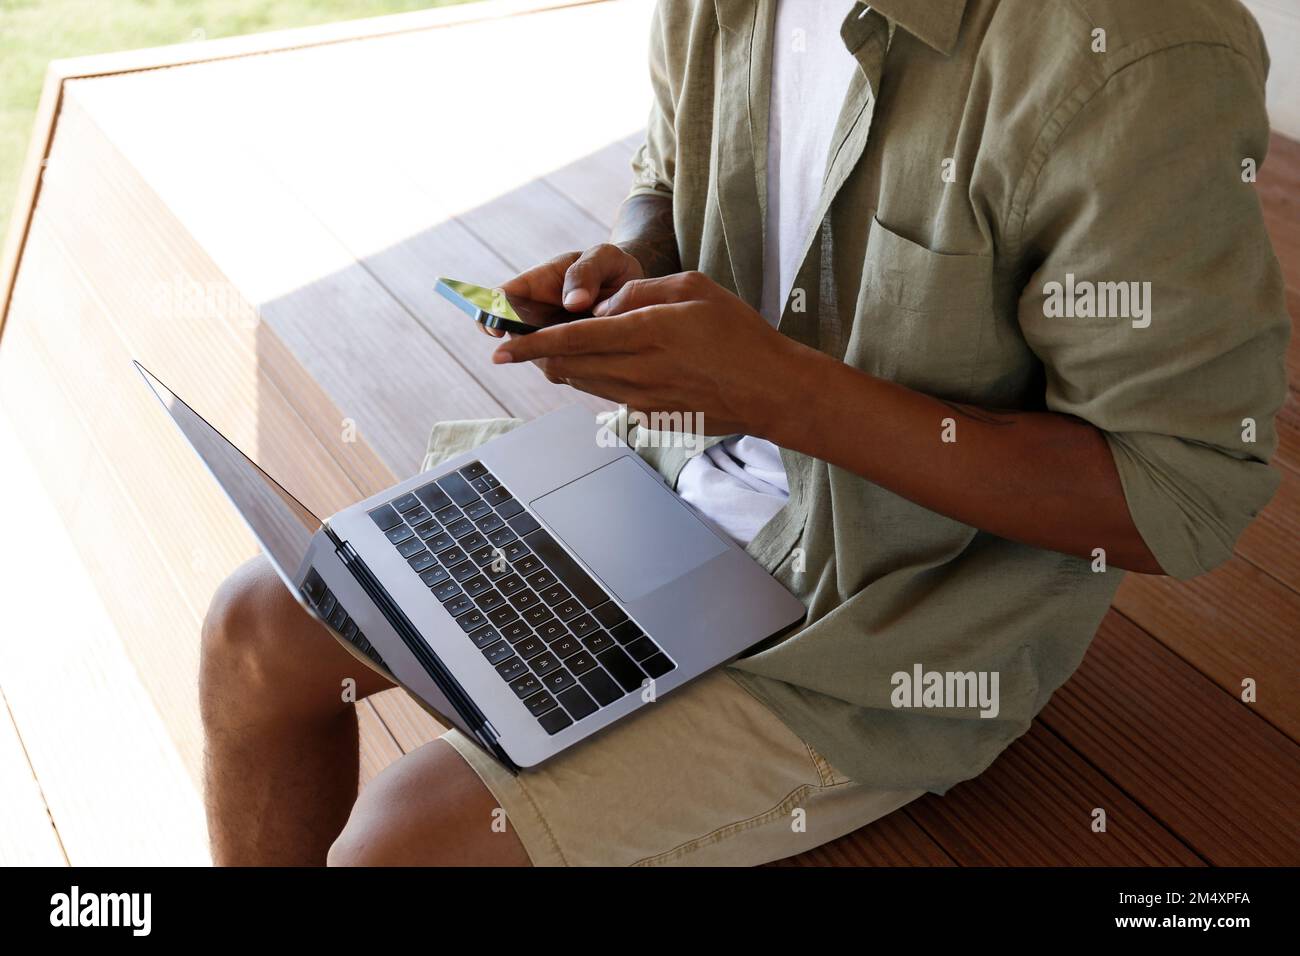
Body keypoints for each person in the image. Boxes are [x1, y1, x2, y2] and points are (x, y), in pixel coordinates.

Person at [200, 0, 1289, 866]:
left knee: (407, 837)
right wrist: (631, 258)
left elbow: (1172, 495)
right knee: (253, 628)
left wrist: (781, 394)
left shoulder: (1136, 54)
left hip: (900, 605)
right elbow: (664, 173)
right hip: (671, 474)